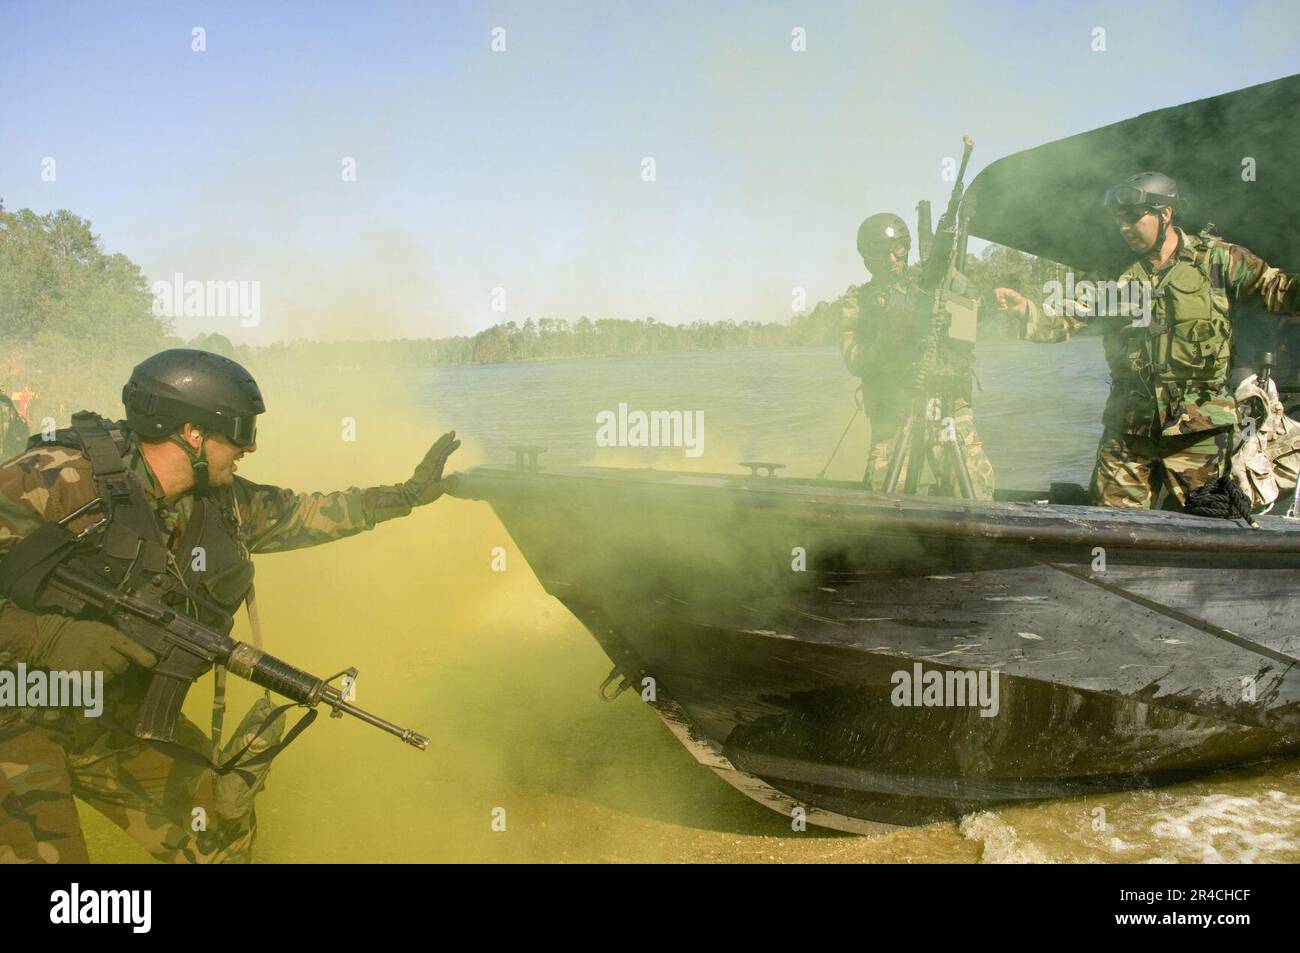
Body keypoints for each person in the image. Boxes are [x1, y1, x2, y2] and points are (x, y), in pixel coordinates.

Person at [0, 348, 460, 863]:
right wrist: (47, 638)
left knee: (219, 829)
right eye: (239, 431)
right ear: (191, 434)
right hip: (12, 711)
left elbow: (306, 513)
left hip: (111, 709)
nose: (251, 447)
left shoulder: (221, 502)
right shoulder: (52, 481)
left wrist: (407, 495)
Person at [996, 172, 1300, 508]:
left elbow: (1278, 291)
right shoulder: (1113, 273)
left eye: (1132, 218)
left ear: (1164, 213)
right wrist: (1025, 310)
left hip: (1198, 430)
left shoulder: (1216, 260)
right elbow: (1064, 318)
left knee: (1208, 526)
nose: (1124, 228)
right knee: (1107, 528)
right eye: (1119, 220)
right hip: (1128, 431)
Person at [840, 212, 994, 498]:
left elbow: (974, 316)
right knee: (885, 499)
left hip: (945, 404)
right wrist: (890, 335)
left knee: (974, 492)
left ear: (907, 247)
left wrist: (948, 275)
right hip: (893, 410)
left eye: (897, 250)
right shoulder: (860, 301)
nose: (891, 260)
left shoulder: (929, 282)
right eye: (880, 255)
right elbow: (855, 359)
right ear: (866, 259)